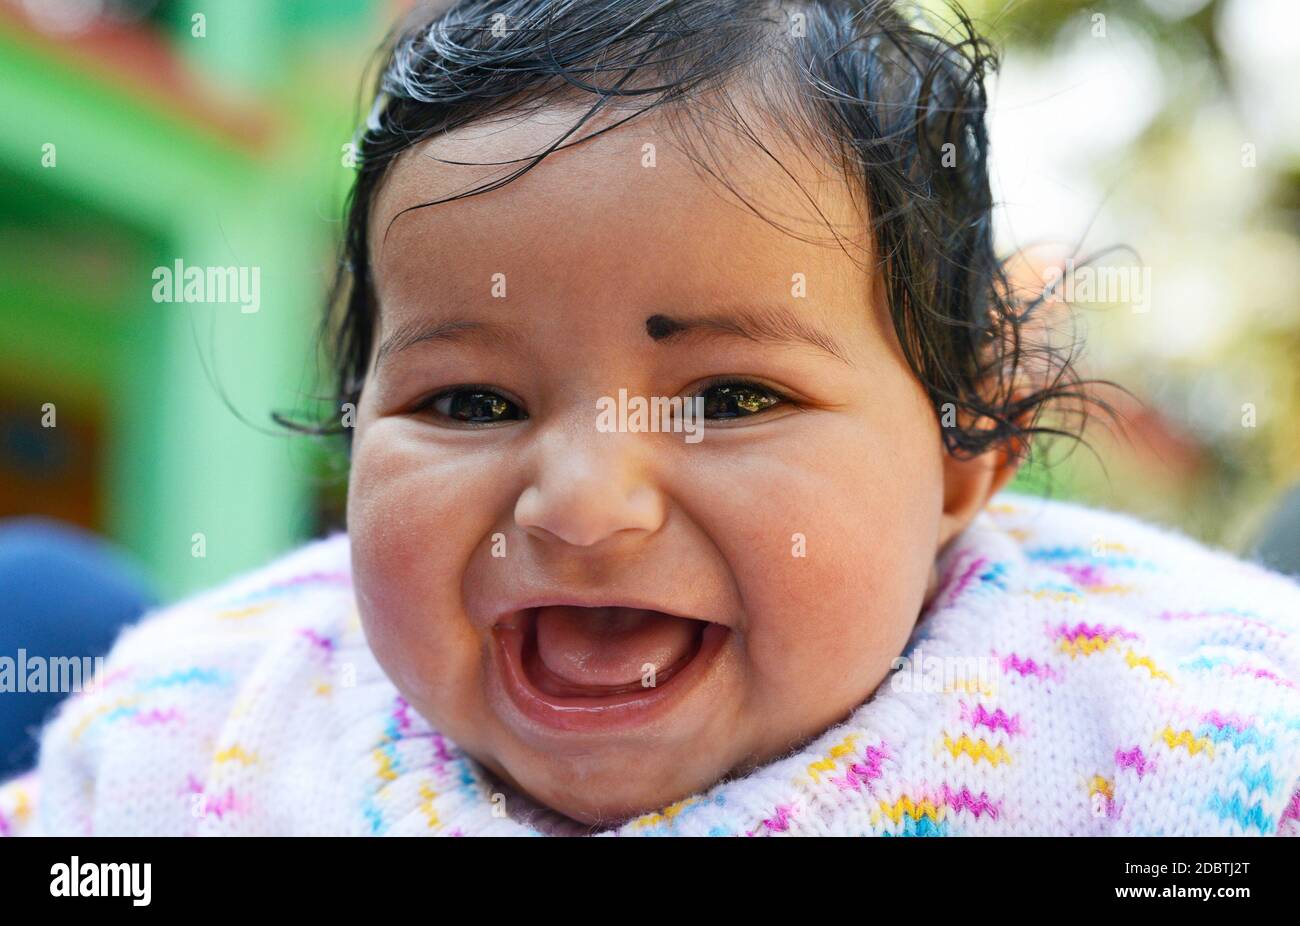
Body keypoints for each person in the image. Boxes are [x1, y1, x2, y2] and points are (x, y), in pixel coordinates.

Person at [3, 0, 1298, 836]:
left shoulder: (1158, 722)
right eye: (469, 400)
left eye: (731, 398)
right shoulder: (213, 722)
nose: (579, 500)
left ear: (964, 461)